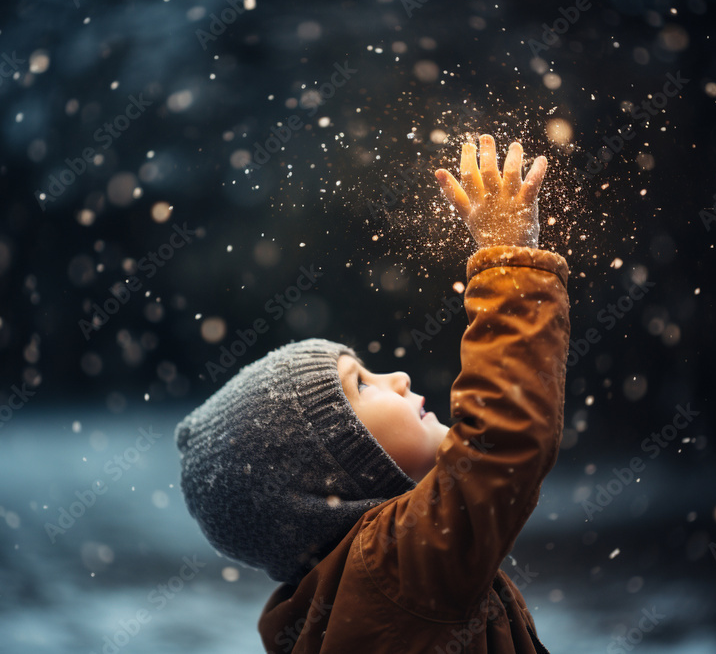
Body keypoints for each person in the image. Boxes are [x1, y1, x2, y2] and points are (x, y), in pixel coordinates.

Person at [175, 134, 571, 653]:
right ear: (328, 478)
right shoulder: (392, 570)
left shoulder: (333, 604)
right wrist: (508, 264)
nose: (398, 378)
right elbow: (501, 442)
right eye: (360, 384)